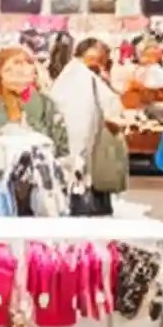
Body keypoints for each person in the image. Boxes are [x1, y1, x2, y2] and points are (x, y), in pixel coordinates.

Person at [49, 37, 123, 216]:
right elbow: (109, 109)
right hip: (77, 156)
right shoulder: (82, 78)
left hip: (74, 154)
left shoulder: (74, 75)